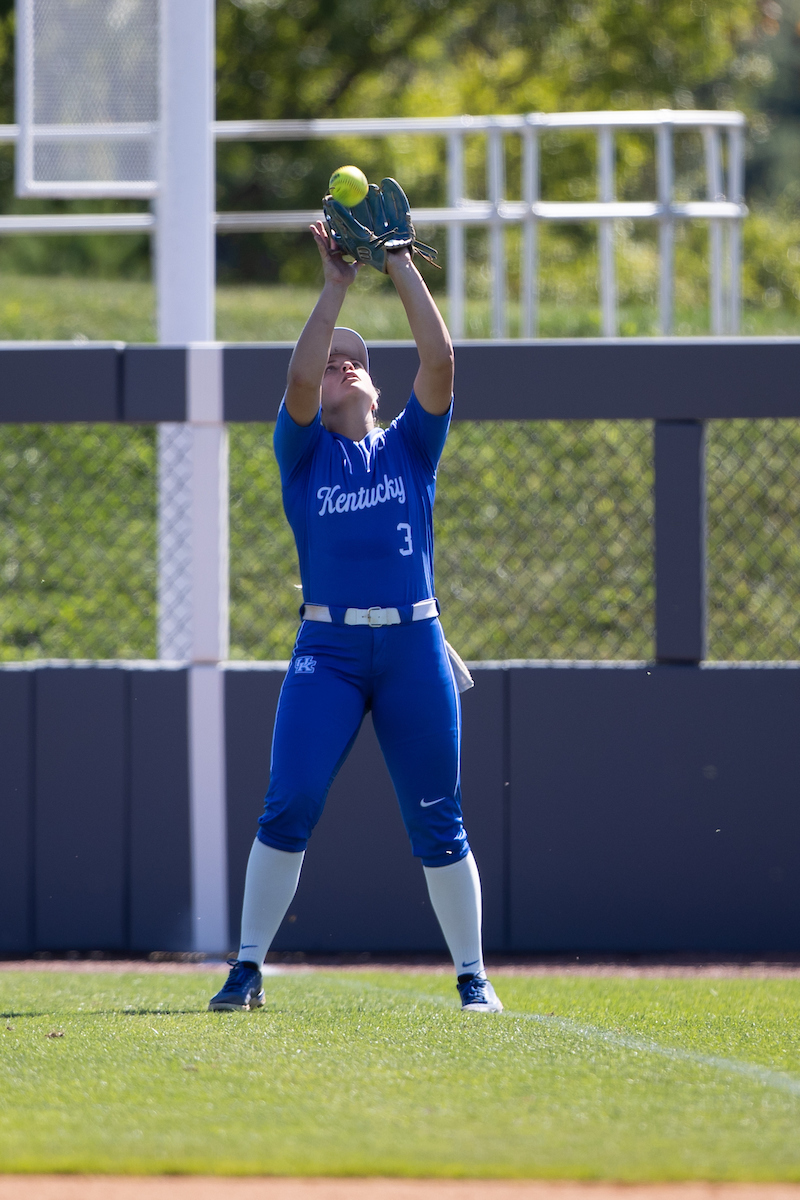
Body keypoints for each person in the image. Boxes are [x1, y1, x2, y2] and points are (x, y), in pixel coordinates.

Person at [209, 215, 502, 1015]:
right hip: (329, 649)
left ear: (375, 389)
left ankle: (473, 977)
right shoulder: (304, 453)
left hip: (412, 643)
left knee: (438, 816)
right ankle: (246, 968)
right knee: (290, 800)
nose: (345, 365)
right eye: (338, 360)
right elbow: (300, 384)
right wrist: (335, 286)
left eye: (358, 364)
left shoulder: (409, 446)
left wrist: (400, 263)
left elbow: (440, 360)